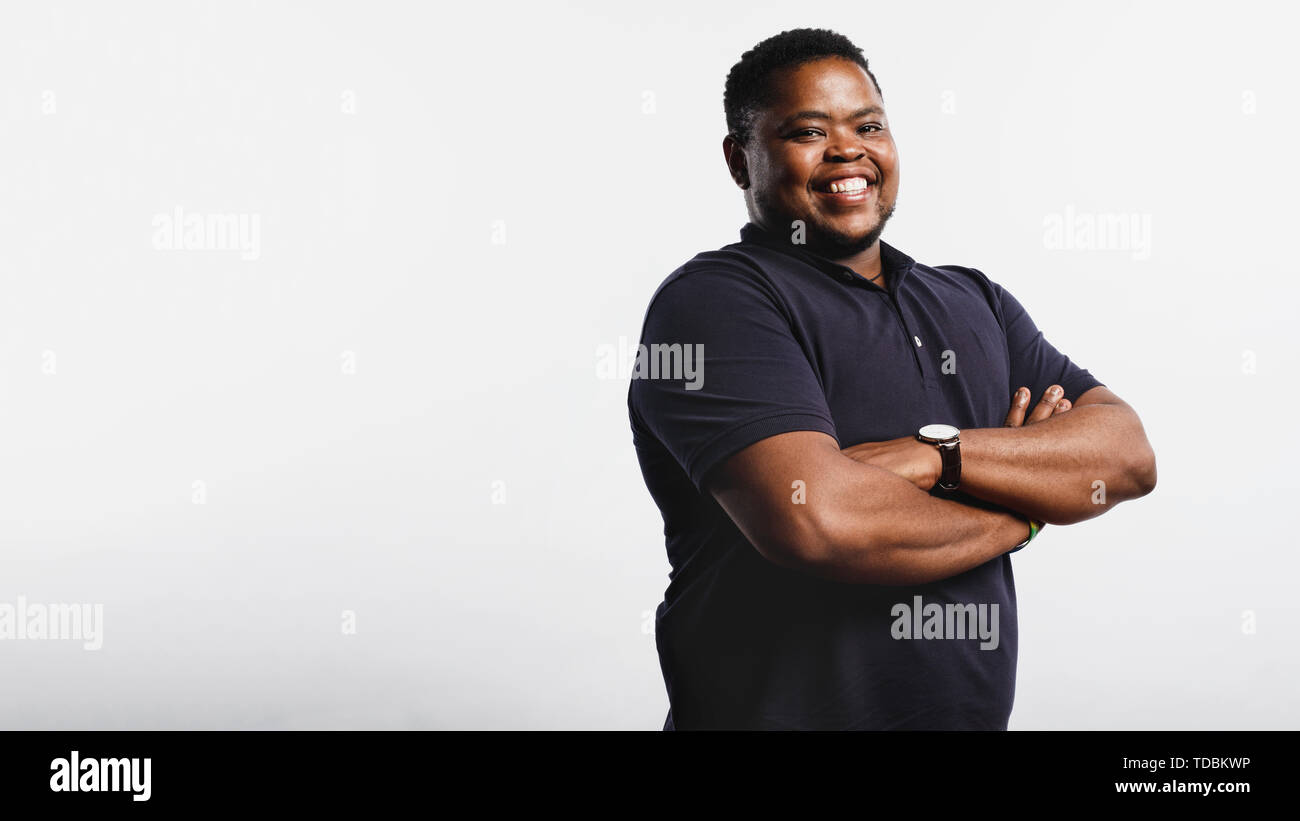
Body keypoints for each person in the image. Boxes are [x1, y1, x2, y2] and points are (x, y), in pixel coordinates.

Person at [627, 28, 1157, 730]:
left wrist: (931, 456)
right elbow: (821, 520)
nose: (848, 149)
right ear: (739, 160)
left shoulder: (974, 302)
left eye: (868, 125)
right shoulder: (716, 303)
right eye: (808, 131)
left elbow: (1125, 457)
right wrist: (1028, 508)